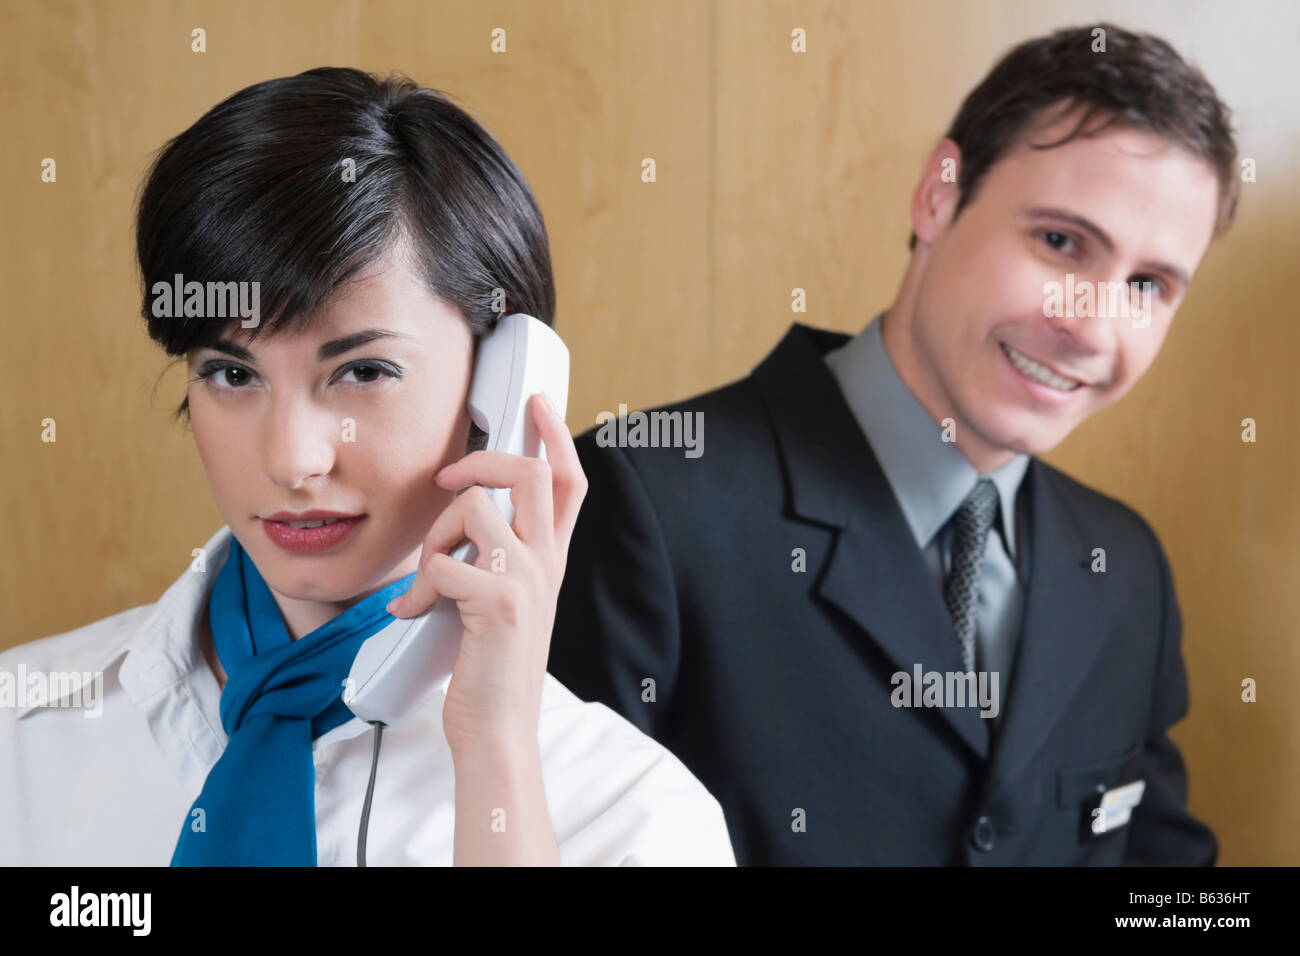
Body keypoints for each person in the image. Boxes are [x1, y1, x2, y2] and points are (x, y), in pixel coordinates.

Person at [0, 67, 735, 867]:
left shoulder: (630, 817)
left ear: (502, 385)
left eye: (364, 371)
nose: (292, 460)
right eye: (234, 375)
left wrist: (496, 751)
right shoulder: (21, 732)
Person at [549, 23, 1235, 865]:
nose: (1094, 330)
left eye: (1148, 285)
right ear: (938, 197)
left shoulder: (1127, 569)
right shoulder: (642, 500)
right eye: (1060, 242)